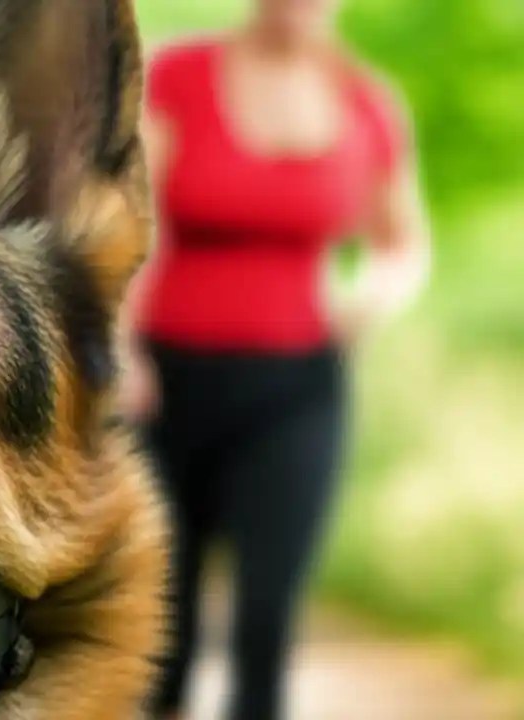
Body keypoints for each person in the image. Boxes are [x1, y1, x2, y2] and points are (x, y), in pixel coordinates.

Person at [119, 0, 431, 718]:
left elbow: (401, 244)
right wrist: (121, 346)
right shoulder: (180, 77)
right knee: (166, 620)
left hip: (298, 387)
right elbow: (131, 222)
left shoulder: (367, 104)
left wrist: (372, 296)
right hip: (168, 383)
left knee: (267, 611)